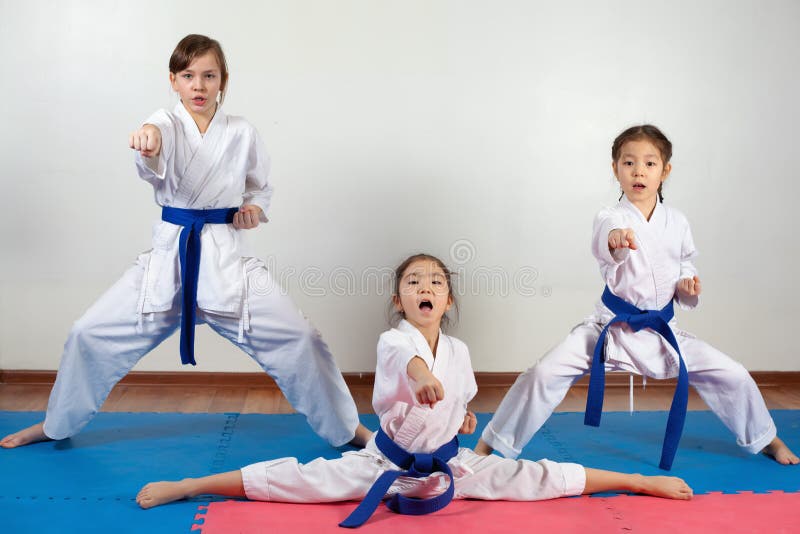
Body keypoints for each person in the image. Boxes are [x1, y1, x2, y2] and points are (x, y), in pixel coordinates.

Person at [1, 34, 371, 450]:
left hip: (226, 261)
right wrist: (148, 142)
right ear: (174, 81)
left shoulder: (241, 132)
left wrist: (252, 209)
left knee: (302, 338)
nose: (199, 85)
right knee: (88, 333)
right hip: (169, 263)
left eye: (209, 76)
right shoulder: (164, 123)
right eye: (189, 75)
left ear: (222, 81)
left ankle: (347, 428)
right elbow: (154, 141)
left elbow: (259, 188)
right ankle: (56, 424)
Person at [136, 254, 692, 527]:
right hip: (385, 462)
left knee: (536, 477)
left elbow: (463, 399)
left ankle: (636, 481)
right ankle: (193, 484)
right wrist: (422, 379)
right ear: (400, 302)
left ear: (447, 302)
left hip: (451, 465)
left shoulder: (461, 352)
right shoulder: (392, 341)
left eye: (436, 282)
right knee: (299, 480)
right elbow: (407, 366)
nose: (425, 287)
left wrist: (463, 419)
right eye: (413, 282)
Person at [474, 125, 798, 468]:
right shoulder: (610, 217)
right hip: (610, 330)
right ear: (616, 169)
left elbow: (685, 264)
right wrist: (616, 241)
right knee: (542, 374)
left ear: (665, 170)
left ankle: (767, 440)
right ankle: (490, 444)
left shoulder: (677, 221)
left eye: (649, 163)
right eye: (629, 163)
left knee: (732, 373)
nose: (639, 171)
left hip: (661, 332)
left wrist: (687, 286)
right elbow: (606, 238)